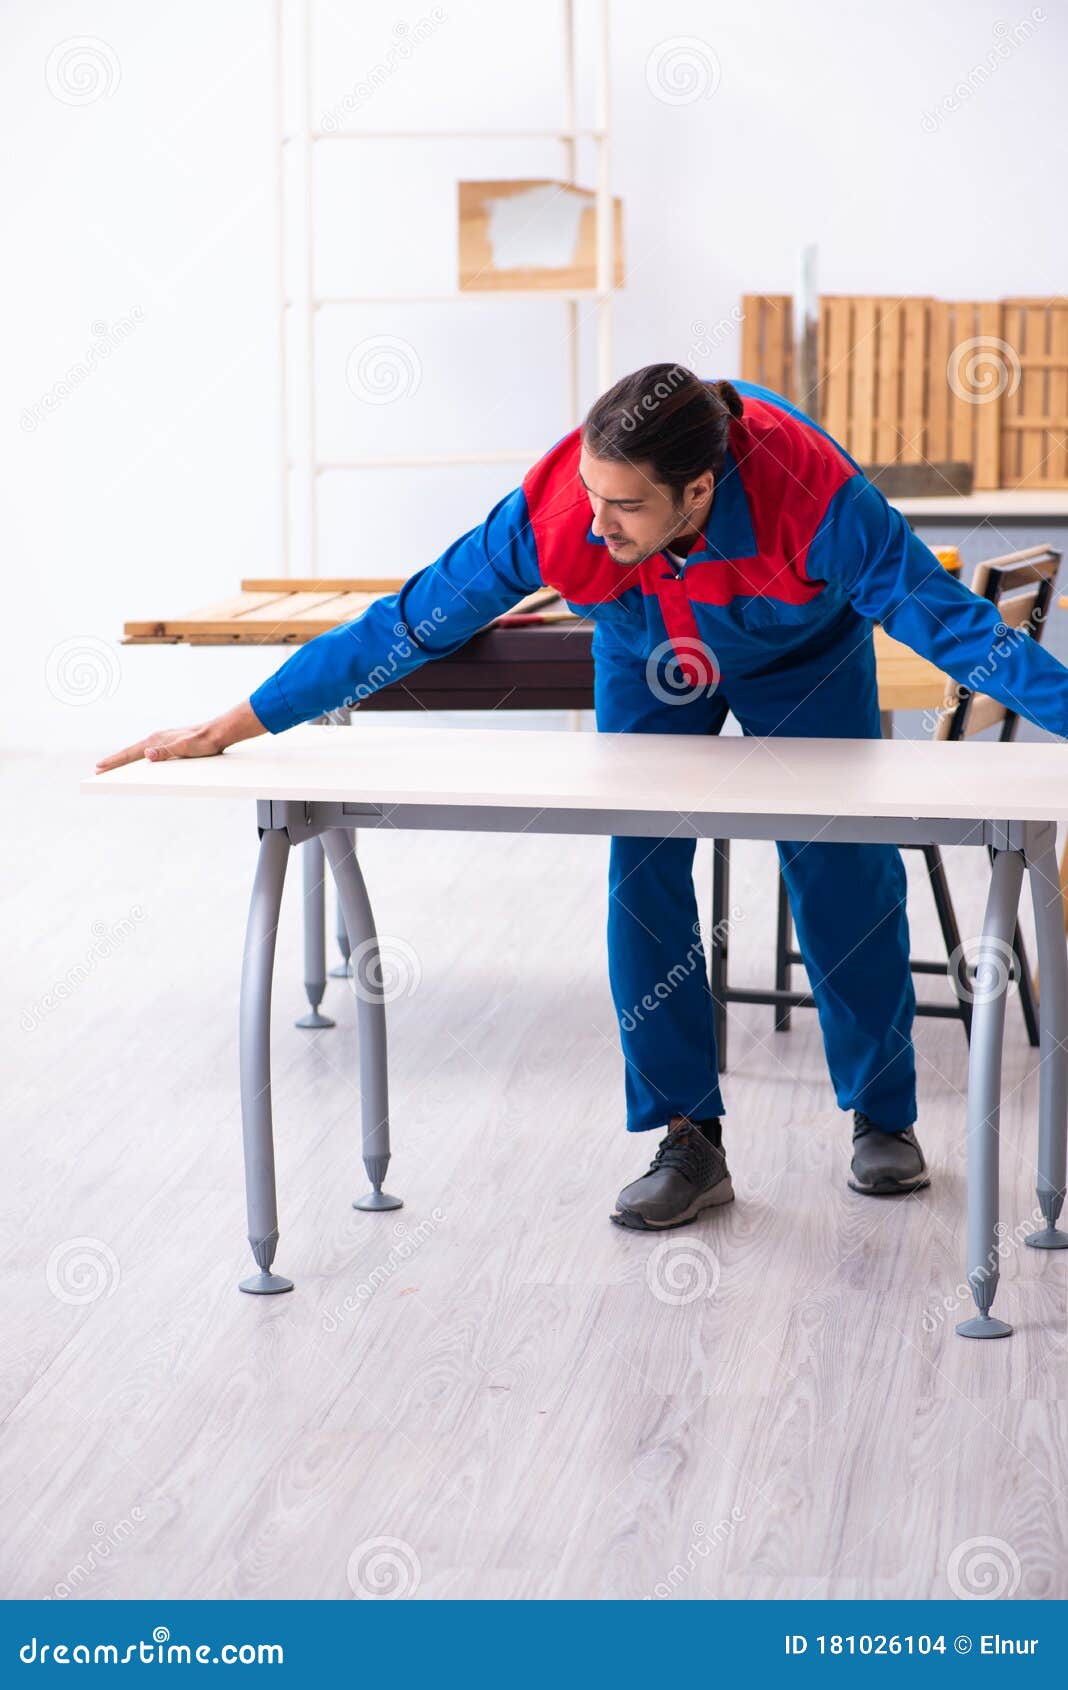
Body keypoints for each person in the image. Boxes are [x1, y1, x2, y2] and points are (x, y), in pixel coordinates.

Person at [97, 367, 1068, 1231]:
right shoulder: (561, 507)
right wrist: (236, 722)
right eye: (593, 498)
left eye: (627, 508)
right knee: (643, 867)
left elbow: (964, 633)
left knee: (843, 860)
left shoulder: (817, 498)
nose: (597, 525)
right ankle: (688, 1136)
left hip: (802, 660)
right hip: (649, 655)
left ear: (699, 490)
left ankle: (883, 1114)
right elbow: (403, 627)